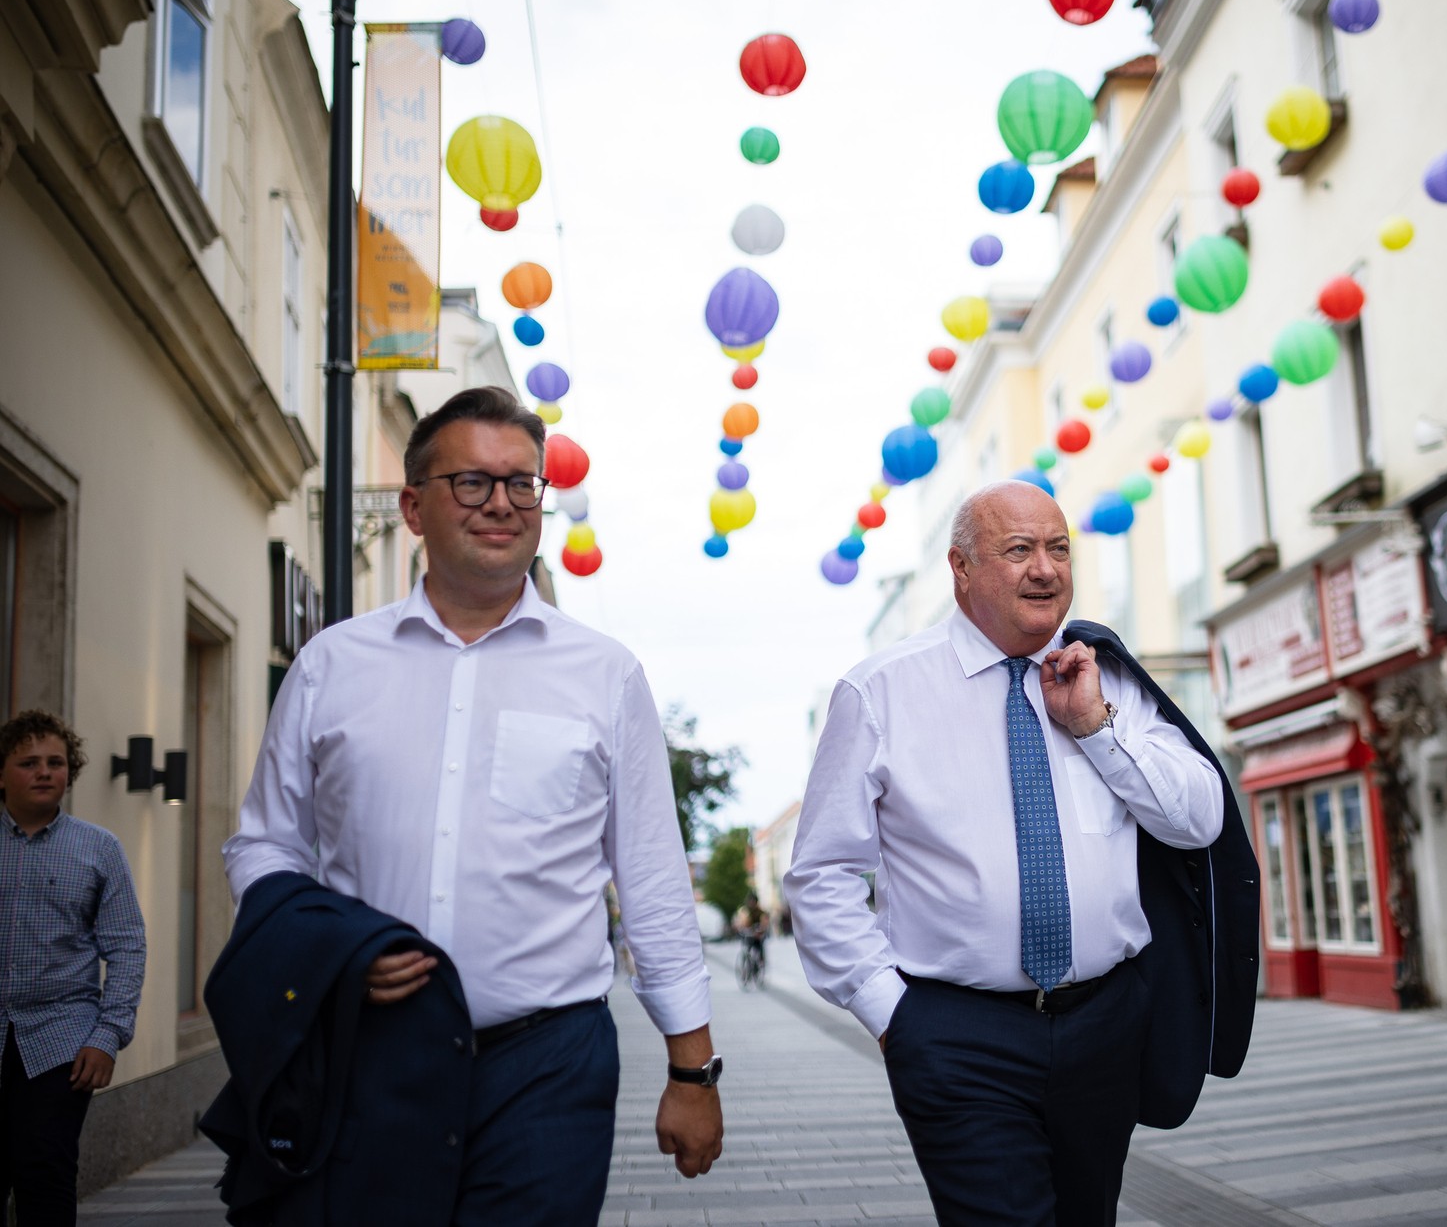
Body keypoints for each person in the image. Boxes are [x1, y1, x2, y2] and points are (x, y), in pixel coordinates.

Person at [225, 387, 723, 1225]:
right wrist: (334, 951)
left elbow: (652, 879)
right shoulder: (330, 667)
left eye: (522, 483)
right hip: (368, 1056)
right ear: (414, 507)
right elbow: (264, 849)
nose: (502, 502)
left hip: (549, 1065)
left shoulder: (603, 673)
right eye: (473, 483)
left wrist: (692, 1072)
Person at [785, 480, 1255, 1227]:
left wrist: (1097, 727)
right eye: (1019, 550)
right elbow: (822, 874)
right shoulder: (881, 691)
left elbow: (1198, 821)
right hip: (957, 1034)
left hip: (1107, 1022)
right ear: (961, 568)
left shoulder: (1108, 678)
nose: (1046, 569)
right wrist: (893, 1015)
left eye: (1059, 548)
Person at [0, 710, 145, 1227]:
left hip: (61, 1040)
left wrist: (107, 1035)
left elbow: (127, 946)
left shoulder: (98, 849)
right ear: (2, 773)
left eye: (56, 762)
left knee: (45, 1176)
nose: (44, 772)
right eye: (29, 762)